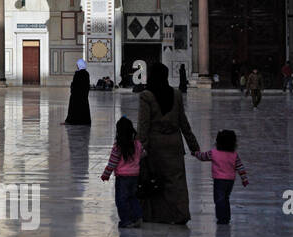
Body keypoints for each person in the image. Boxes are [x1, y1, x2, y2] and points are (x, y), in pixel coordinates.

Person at [138, 62, 200, 225]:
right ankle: (180, 214)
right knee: (176, 181)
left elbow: (143, 125)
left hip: (155, 145)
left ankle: (157, 215)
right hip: (174, 144)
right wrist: (194, 146)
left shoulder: (146, 95)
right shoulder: (176, 94)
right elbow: (183, 123)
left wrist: (140, 148)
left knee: (156, 178)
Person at [191, 129, 249, 226]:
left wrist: (195, 153)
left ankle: (221, 218)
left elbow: (202, 157)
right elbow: (240, 167)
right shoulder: (234, 155)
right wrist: (244, 179)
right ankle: (226, 217)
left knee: (218, 199)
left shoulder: (213, 153)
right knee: (226, 198)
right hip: (230, 181)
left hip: (219, 180)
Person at [101, 115, 145, 228]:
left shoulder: (118, 147)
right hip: (134, 176)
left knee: (121, 199)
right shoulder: (137, 144)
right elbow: (143, 154)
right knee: (133, 197)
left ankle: (126, 220)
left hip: (122, 178)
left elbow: (112, 163)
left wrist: (106, 175)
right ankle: (138, 217)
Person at [64, 58, 91, 125]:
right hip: (84, 95)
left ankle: (72, 121)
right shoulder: (86, 74)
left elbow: (75, 85)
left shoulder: (78, 74)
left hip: (76, 95)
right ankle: (83, 121)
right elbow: (87, 86)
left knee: (74, 107)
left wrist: (72, 89)